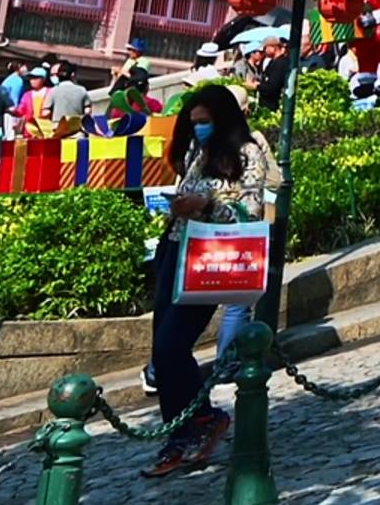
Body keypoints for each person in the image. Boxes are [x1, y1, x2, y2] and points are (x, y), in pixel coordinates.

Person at [141, 89, 275, 478]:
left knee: (170, 347)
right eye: (193, 122)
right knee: (163, 350)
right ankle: (187, 426)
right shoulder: (196, 153)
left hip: (210, 258)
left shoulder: (248, 153)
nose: (198, 128)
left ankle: (194, 427)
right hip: (174, 249)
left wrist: (207, 205)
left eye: (204, 121)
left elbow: (248, 211)